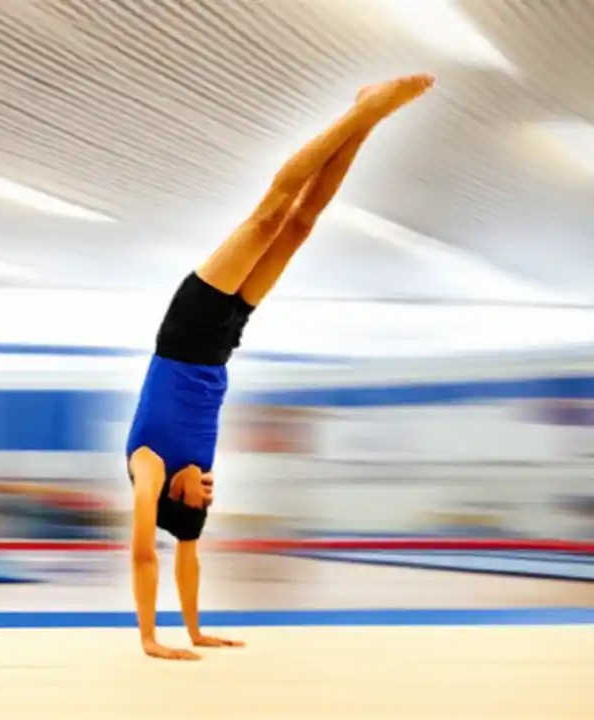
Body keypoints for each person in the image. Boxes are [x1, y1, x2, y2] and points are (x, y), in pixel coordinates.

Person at [127, 74, 435, 660]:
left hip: (185, 333)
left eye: (196, 498)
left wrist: (150, 638)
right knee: (300, 227)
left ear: (173, 493)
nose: (207, 493)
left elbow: (145, 552)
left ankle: (364, 110)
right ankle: (365, 119)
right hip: (223, 344)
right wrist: (194, 631)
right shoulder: (196, 483)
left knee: (268, 217)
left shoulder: (147, 469)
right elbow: (188, 556)